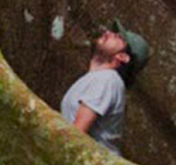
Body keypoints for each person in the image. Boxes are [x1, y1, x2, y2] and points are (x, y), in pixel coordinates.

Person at [60, 21, 150, 156]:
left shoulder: (107, 80)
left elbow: (76, 132)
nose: (108, 33)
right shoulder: (98, 79)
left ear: (123, 57)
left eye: (118, 37)